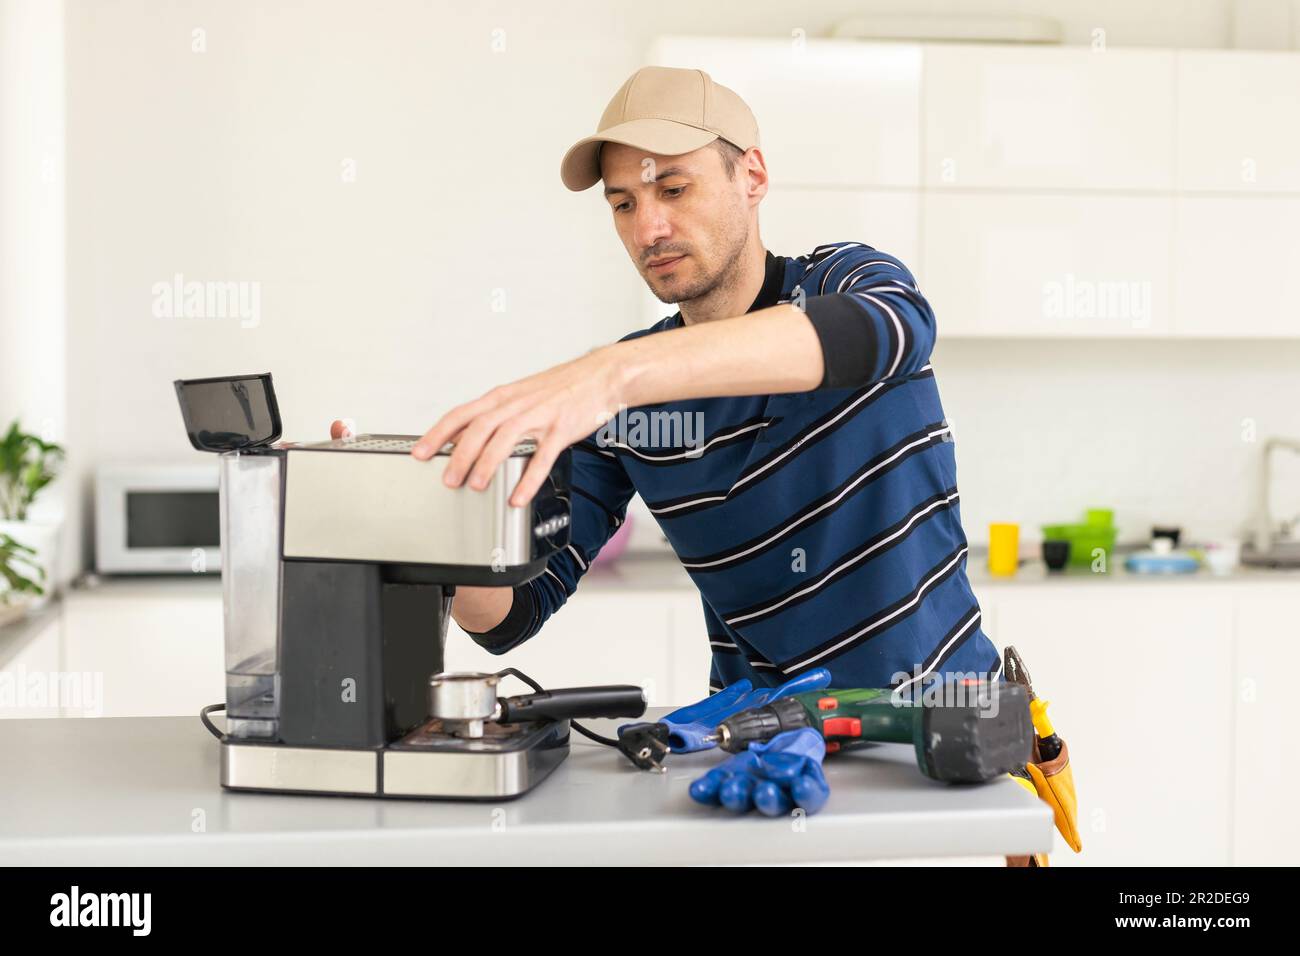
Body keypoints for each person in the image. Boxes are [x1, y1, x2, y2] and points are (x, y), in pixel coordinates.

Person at [332, 66, 1000, 693]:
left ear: (752, 175)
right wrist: (419, 532)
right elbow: (516, 610)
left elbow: (890, 330)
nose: (649, 227)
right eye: (623, 203)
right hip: (768, 750)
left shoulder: (843, 280)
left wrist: (613, 373)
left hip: (945, 738)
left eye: (673, 189)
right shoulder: (625, 399)